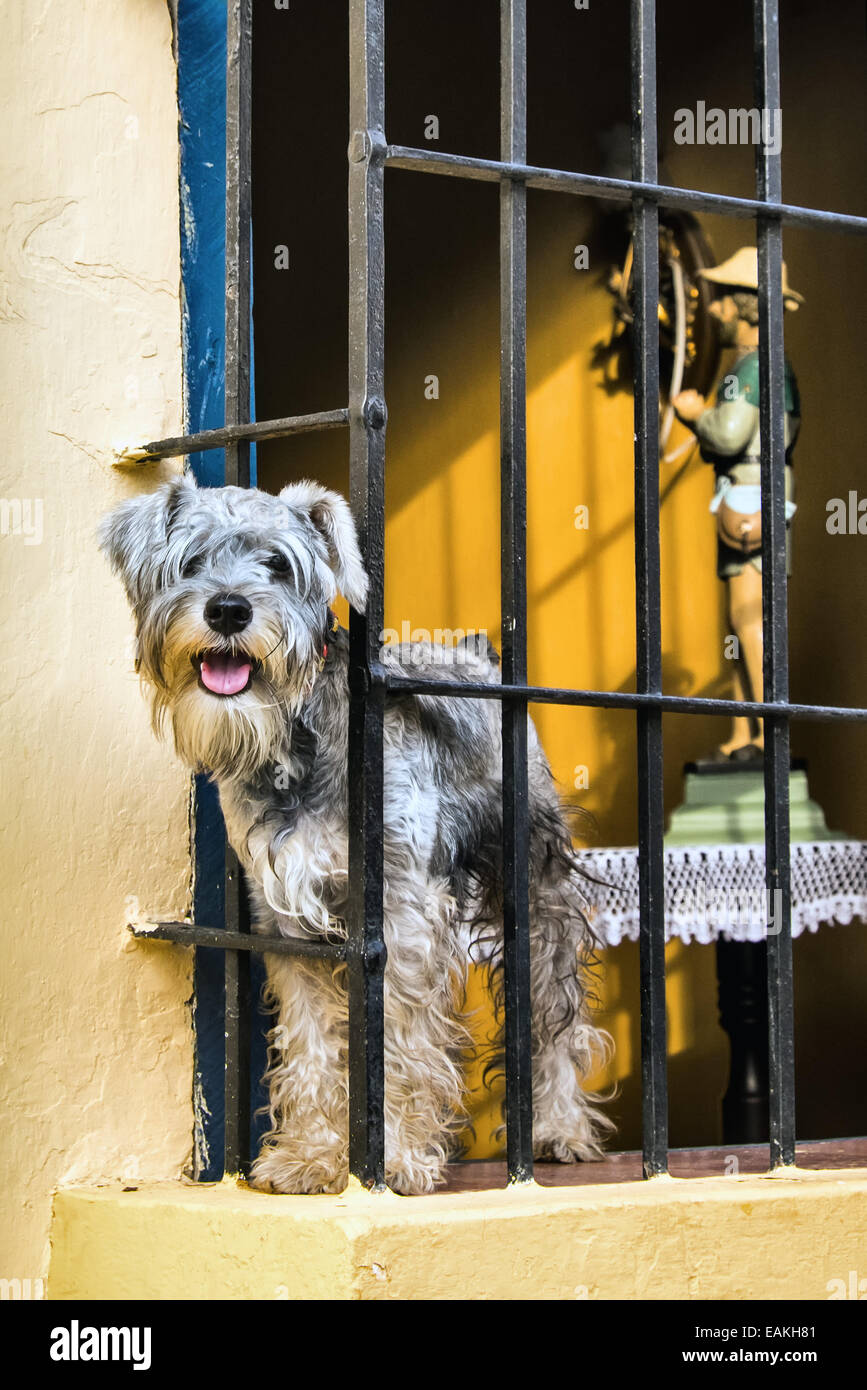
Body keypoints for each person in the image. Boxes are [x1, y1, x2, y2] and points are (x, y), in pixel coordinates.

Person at [673, 246, 803, 760]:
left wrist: (694, 413)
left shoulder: (753, 369)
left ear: (747, 304)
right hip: (745, 496)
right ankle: (744, 733)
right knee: (740, 617)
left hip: (752, 499)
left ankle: (769, 728)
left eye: (723, 299)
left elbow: (729, 435)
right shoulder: (754, 365)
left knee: (750, 615)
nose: (714, 310)